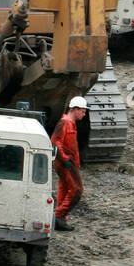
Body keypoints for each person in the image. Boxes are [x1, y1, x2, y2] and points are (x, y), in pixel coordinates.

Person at [51, 95, 86, 231]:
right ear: (75, 109)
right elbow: (55, 141)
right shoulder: (65, 122)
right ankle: (58, 215)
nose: (84, 114)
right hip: (66, 163)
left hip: (68, 162)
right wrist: (65, 159)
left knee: (65, 189)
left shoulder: (70, 123)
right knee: (77, 190)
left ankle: (60, 221)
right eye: (83, 111)